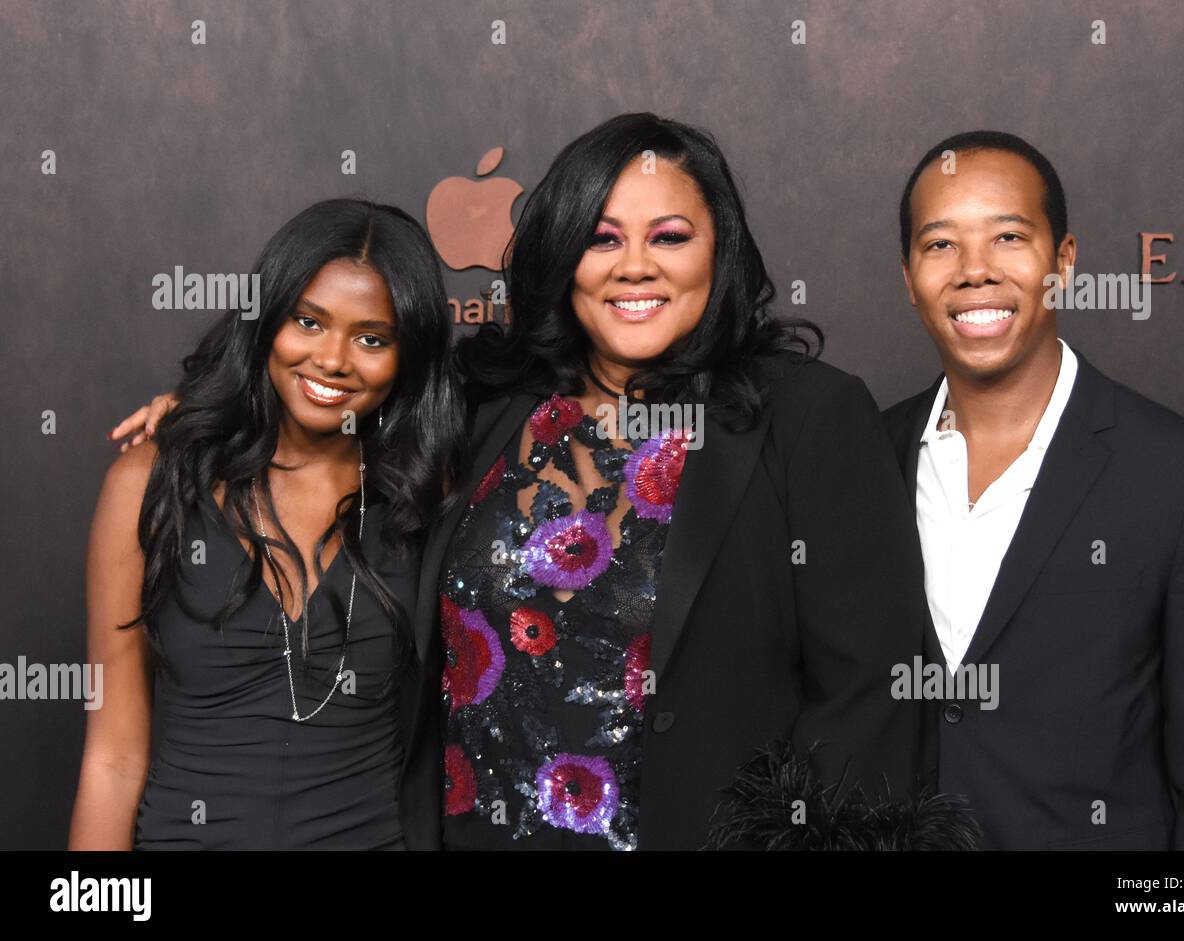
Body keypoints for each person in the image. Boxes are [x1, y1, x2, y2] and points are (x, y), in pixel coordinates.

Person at [112, 114, 977, 851]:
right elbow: (336, 379)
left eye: (669, 236)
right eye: (602, 238)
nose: (635, 265)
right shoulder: (486, 403)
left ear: (721, 252)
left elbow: (874, 692)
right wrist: (204, 411)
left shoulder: (806, 415)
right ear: (564, 255)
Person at [883, 130, 1184, 849]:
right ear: (907, 276)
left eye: (1007, 237)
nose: (975, 271)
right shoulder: (863, 457)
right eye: (940, 245)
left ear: (1062, 262)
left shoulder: (1183, 477)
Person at [71, 198, 466, 849]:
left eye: (372, 338)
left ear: (407, 356)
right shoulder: (148, 482)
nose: (333, 359)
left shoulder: (427, 493)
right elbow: (110, 761)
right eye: (307, 321)